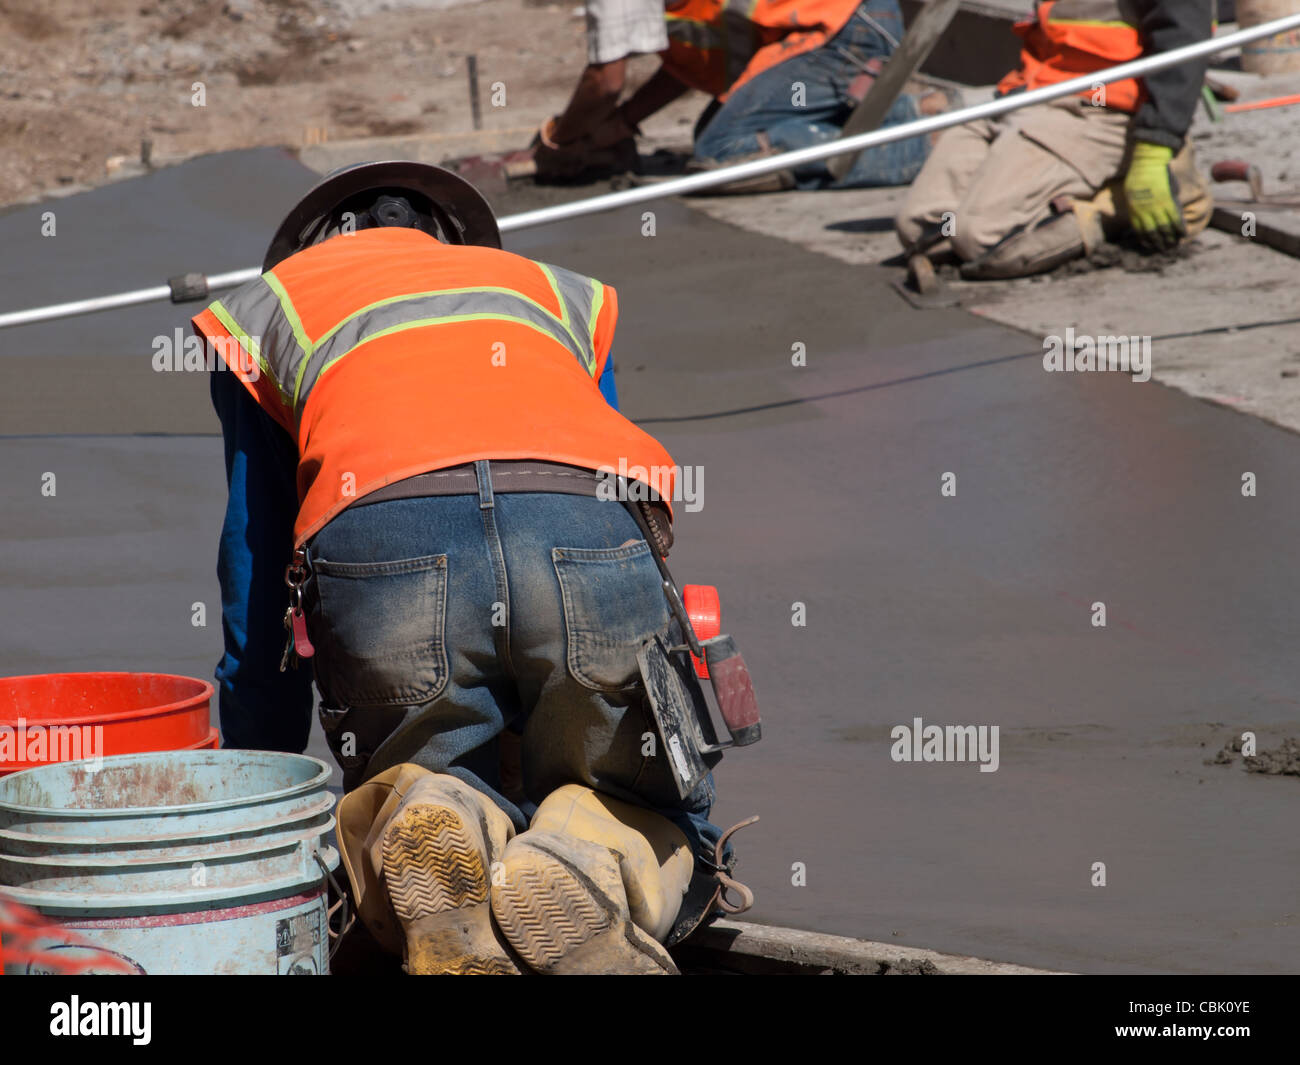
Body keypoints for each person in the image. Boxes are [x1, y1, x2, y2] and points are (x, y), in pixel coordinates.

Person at [194, 161, 746, 974]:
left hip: (387, 554)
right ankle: (586, 859)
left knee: (411, 800)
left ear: (311, 247)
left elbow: (258, 569)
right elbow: (613, 487)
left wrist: (258, 784)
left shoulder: (268, 311)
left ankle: (437, 803)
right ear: (450, 238)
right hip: (585, 536)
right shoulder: (550, 291)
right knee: (650, 808)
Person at [896, 0, 1215, 280]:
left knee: (984, 240)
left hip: (1101, 109)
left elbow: (1185, 41)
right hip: (1028, 95)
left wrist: (1155, 146)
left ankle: (1125, 204)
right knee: (924, 229)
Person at [535, 0, 950, 191]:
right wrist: (624, 122)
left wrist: (561, 139)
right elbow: (687, 66)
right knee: (712, 130)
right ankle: (911, 112)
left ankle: (918, 145)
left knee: (719, 152)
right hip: (850, 20)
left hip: (837, 32)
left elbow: (604, 81)